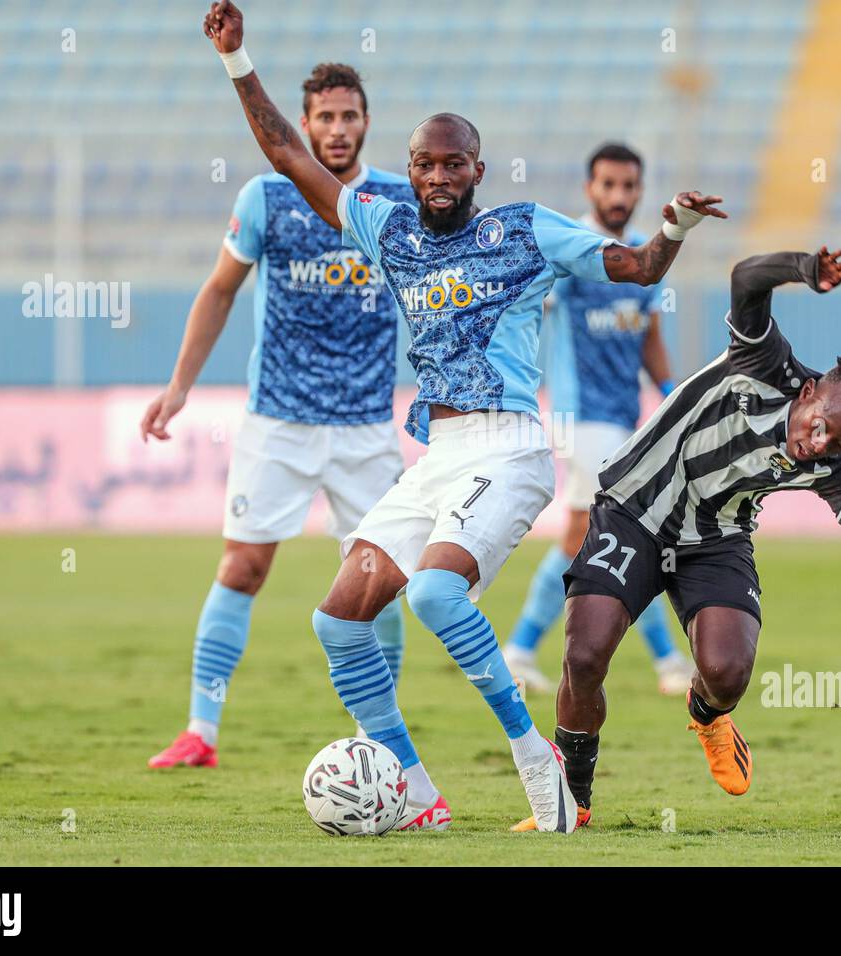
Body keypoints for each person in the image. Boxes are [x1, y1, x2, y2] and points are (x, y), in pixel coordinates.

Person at [202, 0, 727, 831]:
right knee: (336, 620)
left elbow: (635, 266)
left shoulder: (524, 231)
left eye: (453, 164)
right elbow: (286, 152)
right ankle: (415, 790)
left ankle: (538, 762)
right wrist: (238, 59)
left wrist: (675, 227)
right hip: (438, 455)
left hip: (510, 451)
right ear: (408, 171)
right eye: (424, 164)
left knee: (435, 596)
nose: (438, 177)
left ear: (478, 170)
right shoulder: (387, 230)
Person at [526, 247, 841, 830]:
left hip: (716, 538)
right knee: (584, 656)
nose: (821, 444)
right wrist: (802, 269)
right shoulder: (764, 362)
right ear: (809, 393)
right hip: (633, 511)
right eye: (822, 426)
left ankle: (708, 714)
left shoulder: (838, 467)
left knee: (727, 673)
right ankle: (574, 801)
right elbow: (746, 279)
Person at [143, 64, 415, 781]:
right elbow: (219, 291)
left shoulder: (396, 201)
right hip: (278, 423)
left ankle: (378, 740)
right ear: (305, 123)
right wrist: (178, 388)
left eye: (349, 116)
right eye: (324, 117)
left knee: (379, 579)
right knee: (243, 566)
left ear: (366, 122)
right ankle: (200, 730)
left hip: (366, 428)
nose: (337, 129)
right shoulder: (266, 196)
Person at [503, 142, 692, 696]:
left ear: (639, 190)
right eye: (607, 184)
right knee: (628, 536)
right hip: (579, 416)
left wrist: (669, 394)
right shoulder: (572, 249)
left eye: (628, 185)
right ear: (589, 188)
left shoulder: (645, 256)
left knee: (585, 538)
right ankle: (667, 662)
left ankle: (519, 650)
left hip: (622, 420)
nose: (618, 195)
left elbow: (648, 334)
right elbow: (527, 304)